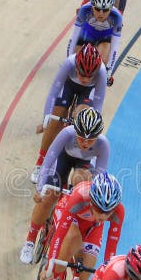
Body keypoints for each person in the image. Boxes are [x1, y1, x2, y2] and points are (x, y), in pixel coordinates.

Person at [20, 108, 112, 265]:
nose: (85, 143)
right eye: (81, 138)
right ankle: (30, 240)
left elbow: (98, 178)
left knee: (82, 179)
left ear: (98, 137)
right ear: (76, 131)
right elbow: (50, 158)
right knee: (49, 196)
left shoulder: (103, 145)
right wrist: (40, 187)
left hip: (83, 164)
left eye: (90, 140)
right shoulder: (67, 133)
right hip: (63, 159)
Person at [32, 173, 125, 280]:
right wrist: (50, 265)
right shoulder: (79, 197)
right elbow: (60, 234)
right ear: (91, 201)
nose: (102, 216)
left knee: (84, 276)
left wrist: (107, 274)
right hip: (69, 216)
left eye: (108, 212)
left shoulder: (119, 212)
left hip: (93, 227)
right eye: (98, 209)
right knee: (72, 240)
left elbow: (111, 249)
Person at [30, 43, 107, 184]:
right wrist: (47, 117)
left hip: (87, 93)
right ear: (76, 67)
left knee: (84, 112)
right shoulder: (69, 62)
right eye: (81, 73)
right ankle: (41, 161)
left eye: (89, 76)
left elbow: (98, 105)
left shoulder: (102, 71)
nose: (84, 78)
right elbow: (54, 90)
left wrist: (90, 127)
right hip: (69, 87)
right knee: (56, 117)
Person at [66, 0, 123, 81]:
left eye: (105, 10)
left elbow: (115, 46)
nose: (101, 13)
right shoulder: (84, 9)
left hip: (104, 38)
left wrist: (109, 71)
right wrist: (68, 61)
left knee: (103, 63)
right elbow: (74, 37)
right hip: (87, 34)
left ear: (111, 8)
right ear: (92, 6)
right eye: (97, 9)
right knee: (76, 59)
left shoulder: (117, 16)